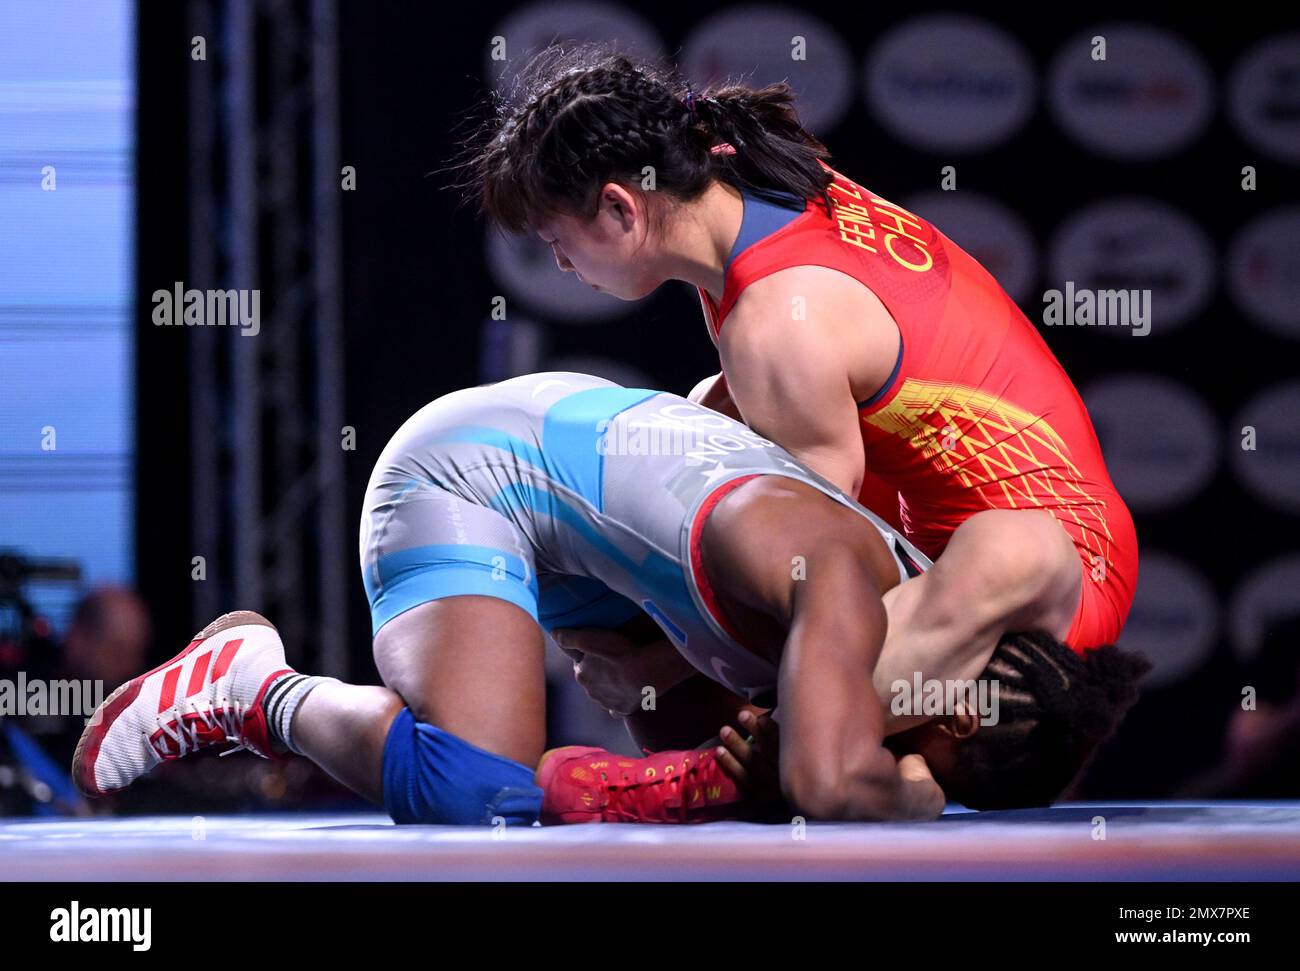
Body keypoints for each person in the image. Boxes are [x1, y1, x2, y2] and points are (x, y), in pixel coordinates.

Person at [73, 373, 1148, 824]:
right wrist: (899, 795)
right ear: (955, 709)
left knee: (725, 796)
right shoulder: (850, 591)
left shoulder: (875, 619)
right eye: (939, 768)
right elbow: (830, 778)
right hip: (468, 469)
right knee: (480, 792)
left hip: (591, 504)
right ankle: (256, 687)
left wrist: (658, 674)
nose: (917, 775)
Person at [458, 44, 1140, 720]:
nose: (564, 265)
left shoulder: (777, 321)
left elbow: (817, 578)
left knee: (769, 573)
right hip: (965, 536)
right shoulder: (745, 178)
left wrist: (656, 668)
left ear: (619, 208)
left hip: (1053, 592)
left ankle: (753, 763)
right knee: (707, 420)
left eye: (558, 241)